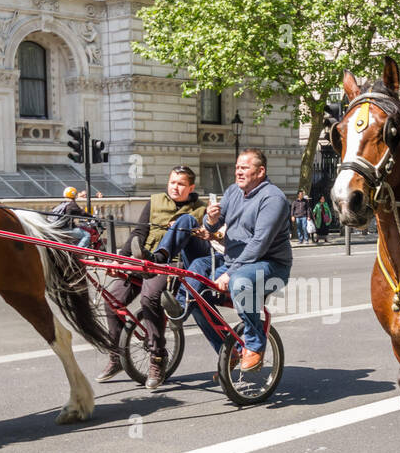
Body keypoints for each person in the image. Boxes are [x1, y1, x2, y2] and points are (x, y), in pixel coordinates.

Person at [98, 166, 209, 389]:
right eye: (172, 182)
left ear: (191, 187)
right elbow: (138, 233)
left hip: (170, 264)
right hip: (142, 260)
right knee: (111, 299)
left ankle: (158, 358)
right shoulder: (155, 201)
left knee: (150, 299)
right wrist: (120, 259)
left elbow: (205, 238)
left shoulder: (200, 209)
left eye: (180, 184)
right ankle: (116, 355)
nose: (174, 187)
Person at [189, 148, 292, 370]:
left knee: (240, 281)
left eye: (244, 168)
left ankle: (254, 345)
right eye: (237, 168)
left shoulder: (273, 198)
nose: (238, 172)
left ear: (261, 171)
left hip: (270, 264)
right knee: (194, 291)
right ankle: (231, 351)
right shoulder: (233, 192)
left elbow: (259, 244)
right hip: (234, 261)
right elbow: (213, 225)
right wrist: (211, 219)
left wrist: (231, 272)